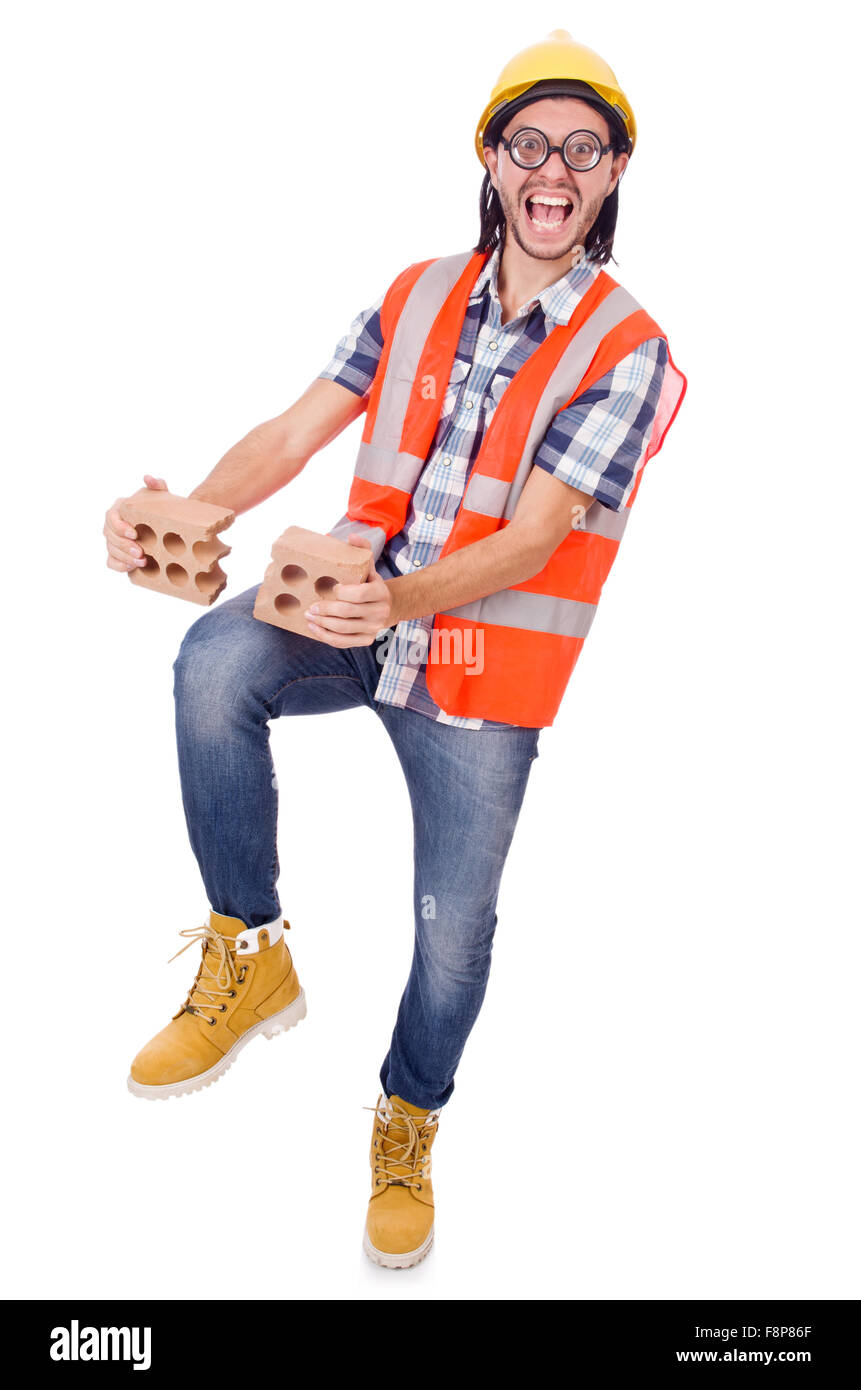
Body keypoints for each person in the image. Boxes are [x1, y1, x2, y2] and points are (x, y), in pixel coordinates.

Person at [103, 30, 686, 1270]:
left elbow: (536, 538)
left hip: (481, 668)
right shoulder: (416, 291)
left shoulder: (626, 349)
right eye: (530, 142)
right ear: (491, 155)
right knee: (212, 663)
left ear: (615, 171)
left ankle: (409, 1116)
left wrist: (400, 600)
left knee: (454, 933)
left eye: (584, 150)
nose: (554, 170)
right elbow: (294, 430)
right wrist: (191, 511)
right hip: (353, 614)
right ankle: (249, 951)